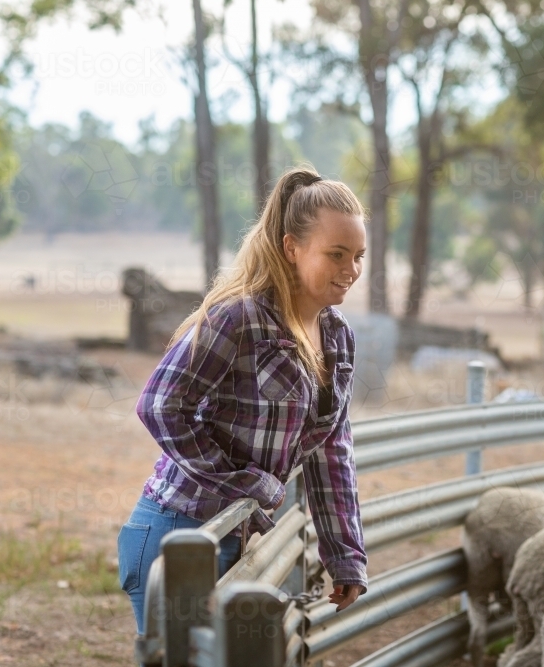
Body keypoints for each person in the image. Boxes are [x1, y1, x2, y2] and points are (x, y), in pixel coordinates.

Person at [117, 164, 369, 635]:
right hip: (181, 532)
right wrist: (244, 483)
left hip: (242, 536)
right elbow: (160, 405)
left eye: (358, 255)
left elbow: (332, 451)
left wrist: (345, 556)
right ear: (292, 248)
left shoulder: (338, 338)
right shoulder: (239, 319)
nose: (350, 270)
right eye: (336, 254)